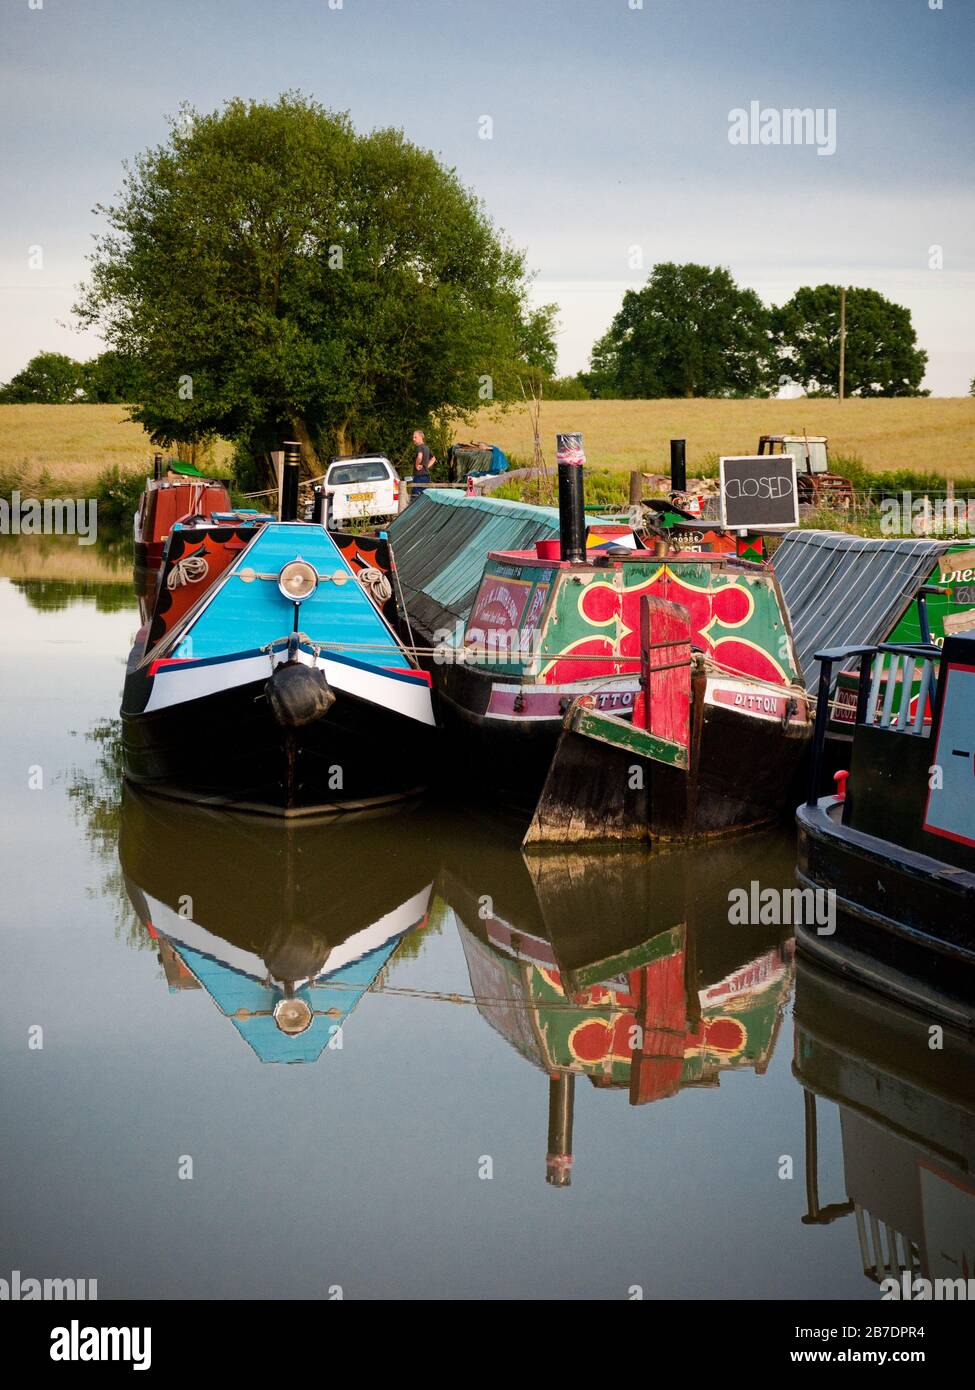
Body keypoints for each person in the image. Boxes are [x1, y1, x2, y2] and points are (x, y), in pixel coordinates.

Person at [410, 430, 435, 494]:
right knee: (424, 496)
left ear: (421, 437)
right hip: (426, 477)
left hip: (419, 476)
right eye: (413, 437)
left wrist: (416, 465)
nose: (413, 439)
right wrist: (426, 466)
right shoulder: (426, 448)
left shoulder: (419, 447)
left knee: (415, 496)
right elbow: (433, 459)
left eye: (415, 437)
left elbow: (419, 457)